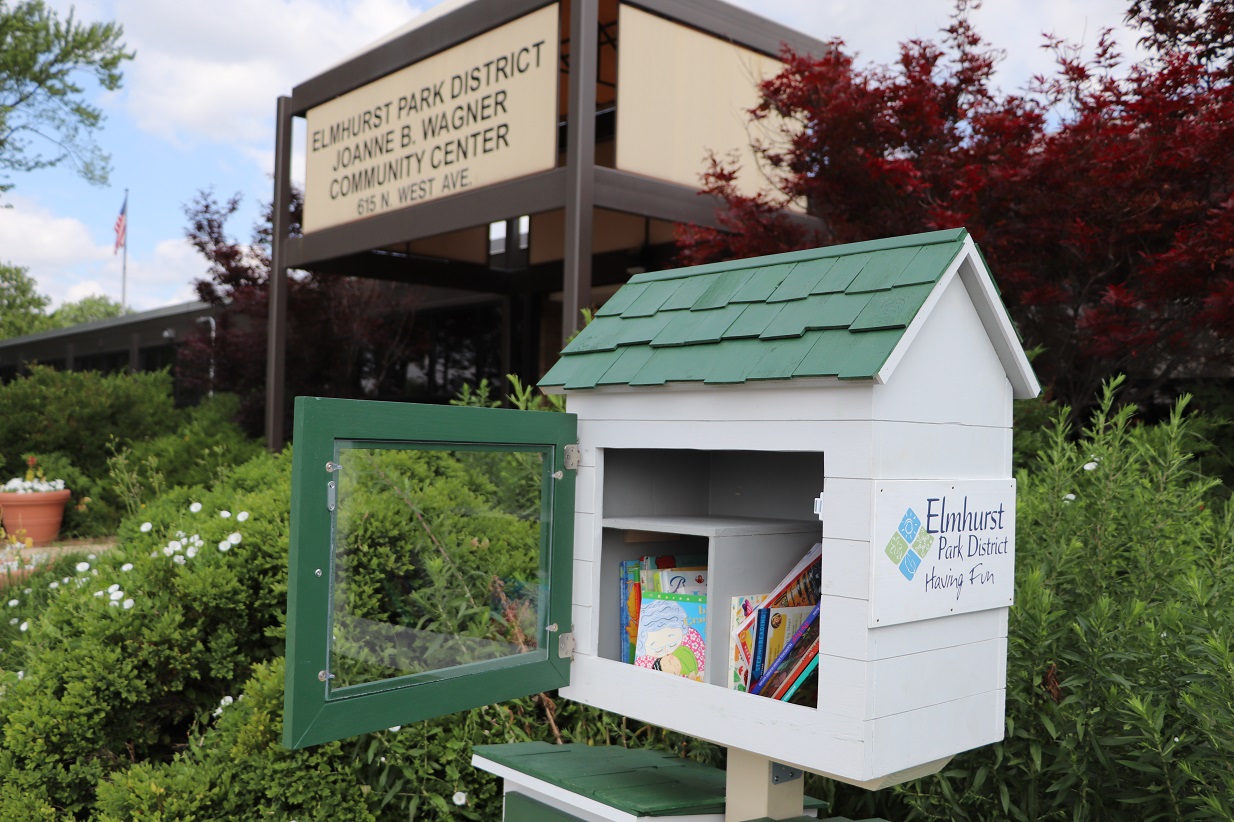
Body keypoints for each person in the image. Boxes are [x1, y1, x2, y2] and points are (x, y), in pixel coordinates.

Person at [634, 597, 704, 681]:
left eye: (672, 644)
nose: (667, 652)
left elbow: (703, 668)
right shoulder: (643, 660)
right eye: (658, 650)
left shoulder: (691, 637)